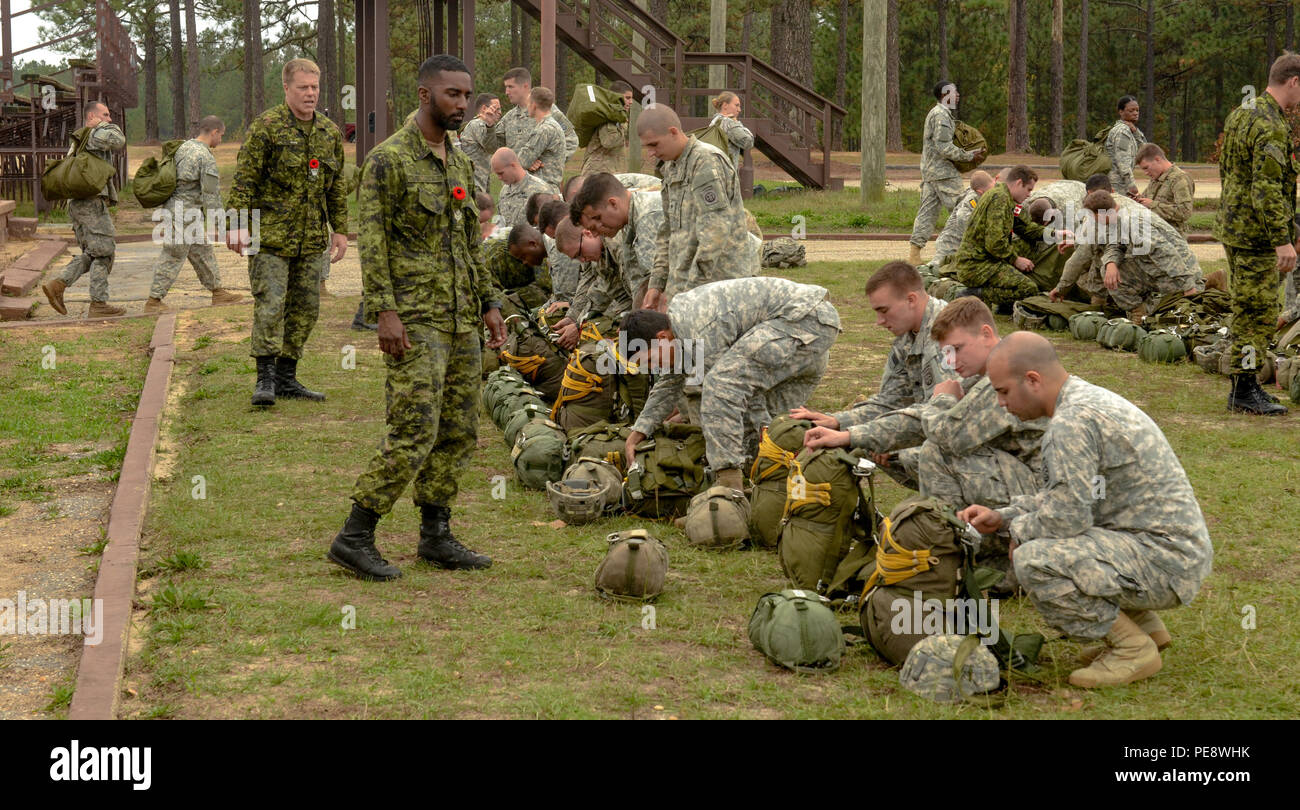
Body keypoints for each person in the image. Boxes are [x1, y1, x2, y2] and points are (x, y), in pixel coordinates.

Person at [329, 54, 507, 582]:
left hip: (459, 319)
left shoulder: (458, 160)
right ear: (425, 94)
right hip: (415, 318)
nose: (463, 105)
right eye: (453, 94)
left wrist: (490, 303)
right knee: (414, 429)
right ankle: (355, 534)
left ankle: (436, 534)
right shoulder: (387, 161)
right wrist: (384, 312)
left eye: (467, 95)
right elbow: (374, 245)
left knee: (457, 430)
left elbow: (470, 243)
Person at [960, 332, 1212, 688]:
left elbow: (1067, 516)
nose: (1001, 403)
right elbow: (1070, 497)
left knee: (1034, 559)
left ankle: (1131, 648)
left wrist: (1020, 532)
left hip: (1165, 561)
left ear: (1032, 380)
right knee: (1048, 542)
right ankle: (1145, 627)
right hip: (1170, 550)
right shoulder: (1085, 401)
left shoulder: (1070, 424)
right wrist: (1005, 516)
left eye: (1002, 391)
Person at [622, 277, 842, 492]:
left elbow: (729, 392)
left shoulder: (699, 328)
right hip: (804, 331)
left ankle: (729, 490)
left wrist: (728, 464)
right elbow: (670, 384)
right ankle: (841, 438)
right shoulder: (678, 332)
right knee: (780, 427)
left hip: (804, 322)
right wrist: (639, 431)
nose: (654, 367)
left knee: (720, 387)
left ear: (661, 338)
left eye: (650, 360)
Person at [223, 58, 349, 407]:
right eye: (303, 87)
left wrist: (340, 230)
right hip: (270, 238)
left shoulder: (328, 133)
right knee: (271, 305)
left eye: (314, 87)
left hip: (310, 239)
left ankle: (286, 377)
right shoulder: (266, 127)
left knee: (306, 308)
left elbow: (335, 186)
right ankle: (264, 378)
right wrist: (235, 225)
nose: (310, 94)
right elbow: (245, 180)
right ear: (287, 88)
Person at [795, 262, 959, 485]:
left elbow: (942, 416)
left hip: (970, 440)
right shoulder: (908, 337)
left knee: (910, 457)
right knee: (868, 444)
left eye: (884, 311)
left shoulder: (946, 336)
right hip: (943, 430)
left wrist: (860, 435)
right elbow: (890, 402)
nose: (879, 322)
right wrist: (837, 421)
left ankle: (958, 515)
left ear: (911, 300)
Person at [1215, 54, 1300, 415]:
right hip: (1257, 236)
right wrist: (1282, 240)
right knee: (1258, 313)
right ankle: (1245, 387)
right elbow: (1265, 190)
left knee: (1245, 309)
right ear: (1293, 82)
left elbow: (1229, 173)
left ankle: (1244, 384)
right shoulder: (1271, 126)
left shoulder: (1241, 113)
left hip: (1236, 227)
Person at [636, 104, 756, 311]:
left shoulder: (705, 161)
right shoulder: (671, 167)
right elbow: (668, 230)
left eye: (654, 144)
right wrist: (657, 282)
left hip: (717, 283)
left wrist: (691, 291)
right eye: (647, 147)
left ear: (673, 132)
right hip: (685, 283)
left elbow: (715, 232)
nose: (651, 153)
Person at [144, 115, 245, 313]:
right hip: (184, 213)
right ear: (214, 132)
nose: (221, 140)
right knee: (174, 253)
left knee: (202, 251)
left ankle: (218, 291)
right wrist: (224, 227)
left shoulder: (183, 147)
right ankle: (154, 300)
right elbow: (211, 195)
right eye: (222, 136)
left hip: (179, 210)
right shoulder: (204, 156)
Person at [42, 101, 127, 318]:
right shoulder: (95, 134)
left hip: (78, 205)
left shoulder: (81, 140)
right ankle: (98, 304)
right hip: (90, 204)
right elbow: (119, 140)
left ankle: (58, 285)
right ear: (91, 117)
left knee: (93, 253)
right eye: (105, 115)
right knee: (105, 253)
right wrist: (103, 126)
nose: (109, 119)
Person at [950, 165, 1070, 309]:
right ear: (1019, 183)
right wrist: (1016, 260)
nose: (1029, 195)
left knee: (1026, 247)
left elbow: (1025, 228)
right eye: (1029, 189)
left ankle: (997, 301)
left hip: (983, 261)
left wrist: (1055, 234)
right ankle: (976, 294)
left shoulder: (1005, 197)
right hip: (976, 265)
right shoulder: (999, 198)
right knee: (1027, 288)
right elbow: (994, 243)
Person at [1079, 189, 1205, 322]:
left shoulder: (1134, 223)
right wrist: (1111, 262)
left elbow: (1166, 254)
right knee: (1109, 270)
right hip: (1161, 269)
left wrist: (1188, 286)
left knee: (1182, 312)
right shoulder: (1119, 216)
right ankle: (1139, 313)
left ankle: (1203, 285)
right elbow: (1116, 244)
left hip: (1180, 273)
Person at [908, 81, 985, 266]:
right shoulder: (941, 115)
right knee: (964, 208)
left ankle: (914, 255)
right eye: (954, 92)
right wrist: (969, 156)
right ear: (944, 94)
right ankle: (967, 250)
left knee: (927, 212)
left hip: (930, 171)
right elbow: (943, 147)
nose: (957, 95)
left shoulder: (938, 114)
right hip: (944, 173)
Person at [571, 171, 664, 310]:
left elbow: (661, 287)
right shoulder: (628, 224)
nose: (597, 233)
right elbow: (639, 282)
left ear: (613, 203)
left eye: (598, 219)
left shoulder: (646, 218)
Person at [920, 169, 994, 274]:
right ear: (980, 192)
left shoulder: (985, 189)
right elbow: (962, 217)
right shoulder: (973, 198)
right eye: (990, 191)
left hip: (959, 244)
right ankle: (915, 276)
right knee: (937, 270)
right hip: (950, 243)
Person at [498, 67, 578, 162]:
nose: (506, 92)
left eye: (510, 87)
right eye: (506, 87)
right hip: (515, 175)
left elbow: (571, 140)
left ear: (525, 86)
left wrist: (546, 163)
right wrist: (488, 125)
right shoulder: (509, 117)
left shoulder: (548, 110)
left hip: (542, 176)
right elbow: (493, 146)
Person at [482, 224, 552, 309]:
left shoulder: (538, 244)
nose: (524, 262)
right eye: (521, 258)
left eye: (523, 258)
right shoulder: (494, 257)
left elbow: (547, 284)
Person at [1133, 143, 1195, 233]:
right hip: (1155, 234)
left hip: (1173, 238)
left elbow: (1184, 211)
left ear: (1157, 159)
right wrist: (1138, 200)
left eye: (1146, 168)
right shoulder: (1156, 178)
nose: (1145, 173)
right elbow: (1147, 200)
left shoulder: (1179, 179)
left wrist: (1152, 205)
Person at [492, 147, 557, 229]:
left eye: (501, 173)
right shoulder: (504, 191)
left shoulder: (540, 190)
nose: (499, 178)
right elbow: (499, 223)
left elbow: (549, 227)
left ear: (513, 165)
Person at [515, 86, 567, 188]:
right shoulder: (552, 125)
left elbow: (522, 160)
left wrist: (527, 162)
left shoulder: (544, 129)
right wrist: (530, 162)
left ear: (534, 105)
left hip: (544, 190)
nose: (527, 107)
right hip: (548, 189)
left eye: (528, 103)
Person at [582, 81, 634, 175]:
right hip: (598, 171)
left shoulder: (617, 116)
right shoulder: (609, 117)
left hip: (608, 170)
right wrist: (624, 126)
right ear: (616, 97)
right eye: (627, 98)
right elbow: (609, 142)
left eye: (631, 98)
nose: (631, 102)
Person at [458, 92, 501, 193]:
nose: (500, 112)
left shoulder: (479, 124)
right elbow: (490, 147)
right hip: (474, 182)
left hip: (478, 180)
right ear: (484, 109)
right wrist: (490, 126)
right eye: (496, 108)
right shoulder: (479, 124)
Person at [1106, 95, 1145, 197]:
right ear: (1121, 112)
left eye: (1137, 110)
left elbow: (1145, 149)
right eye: (1131, 110)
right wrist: (1132, 186)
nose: (1135, 113)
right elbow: (1123, 162)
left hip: (1120, 183)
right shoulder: (1122, 132)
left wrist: (1136, 132)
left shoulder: (1130, 130)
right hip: (1117, 184)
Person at [708, 91, 755, 168]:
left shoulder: (715, 121)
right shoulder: (729, 123)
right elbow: (748, 142)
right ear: (725, 105)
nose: (739, 109)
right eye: (736, 105)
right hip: (727, 174)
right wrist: (737, 122)